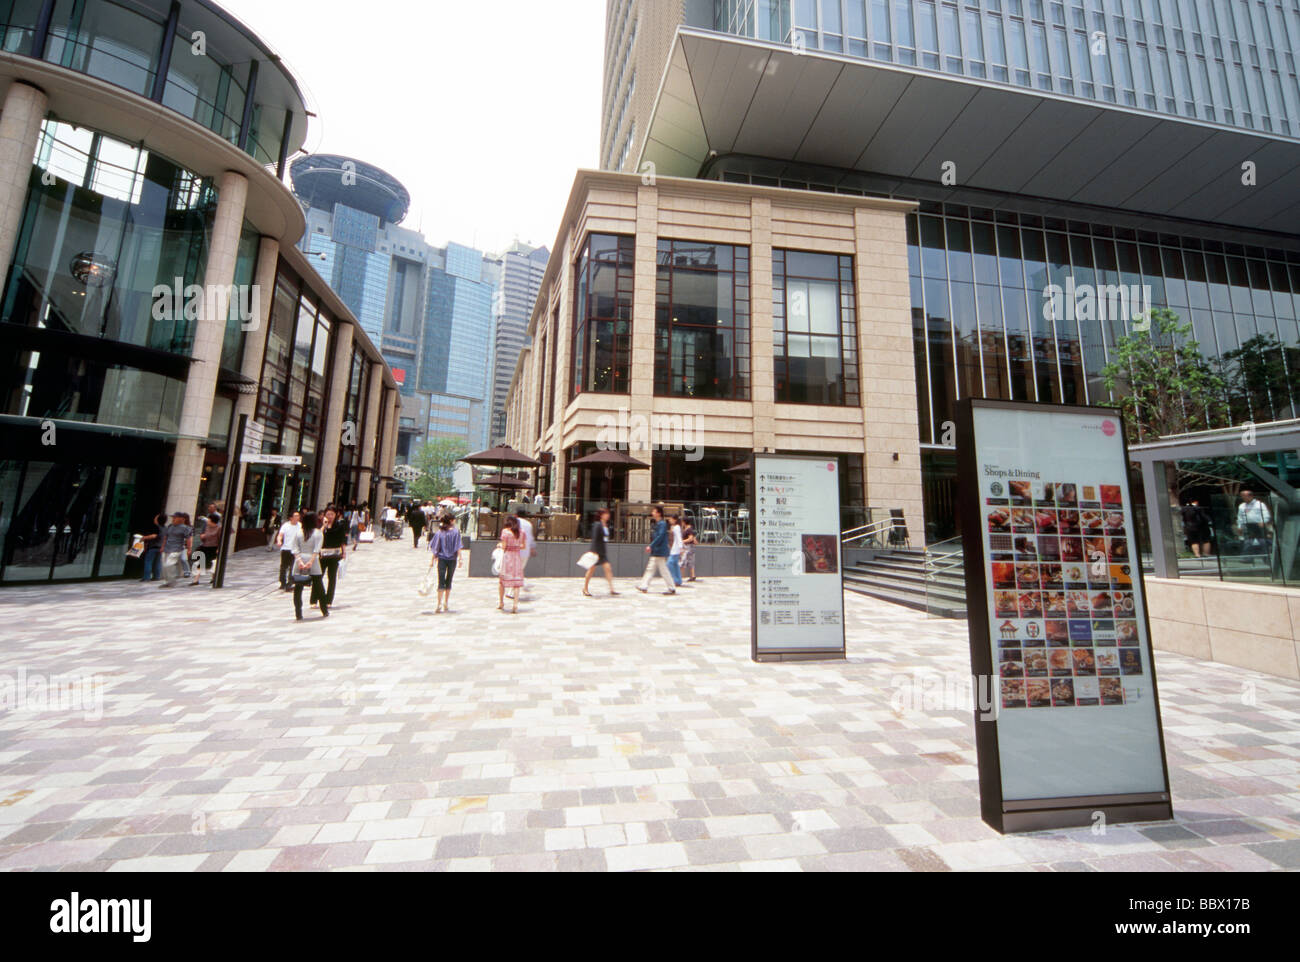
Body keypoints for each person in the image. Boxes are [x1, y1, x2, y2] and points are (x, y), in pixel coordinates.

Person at [289, 510, 327, 620]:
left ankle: (298, 613)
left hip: (299, 560)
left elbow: (295, 548)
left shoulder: (299, 532)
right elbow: (317, 548)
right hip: (313, 561)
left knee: (298, 588)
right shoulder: (317, 533)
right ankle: (324, 610)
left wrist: (300, 561)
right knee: (319, 586)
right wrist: (311, 561)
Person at [637, 506, 675, 595]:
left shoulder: (662, 524)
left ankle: (671, 587)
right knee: (654, 569)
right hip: (658, 550)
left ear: (659, 513)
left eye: (654, 511)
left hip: (659, 550)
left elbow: (660, 536)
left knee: (660, 569)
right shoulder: (660, 524)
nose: (652, 513)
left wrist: (651, 546)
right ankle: (644, 585)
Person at [430, 513, 463, 613]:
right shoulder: (456, 532)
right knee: (449, 580)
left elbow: (435, 548)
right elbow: (458, 546)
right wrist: (461, 559)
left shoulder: (440, 532)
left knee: (441, 581)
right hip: (452, 559)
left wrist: (432, 560)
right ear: (451, 521)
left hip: (442, 559)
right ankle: (446, 602)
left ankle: (438, 603)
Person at [583, 508, 618, 597]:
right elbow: (594, 538)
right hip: (596, 552)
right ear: (601, 515)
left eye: (608, 513)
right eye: (606, 513)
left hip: (602, 552)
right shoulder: (597, 525)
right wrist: (594, 551)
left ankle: (612, 589)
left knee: (608, 569)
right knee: (591, 570)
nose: (608, 515)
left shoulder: (605, 525)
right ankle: (585, 588)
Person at [320, 506, 349, 606]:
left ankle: (328, 600)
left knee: (332, 577)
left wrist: (344, 552)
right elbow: (317, 537)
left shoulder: (339, 526)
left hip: (335, 555)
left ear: (336, 515)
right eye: (328, 514)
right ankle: (315, 598)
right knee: (318, 576)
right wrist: (324, 526)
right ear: (324, 515)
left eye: (332, 514)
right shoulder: (322, 526)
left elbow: (343, 540)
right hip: (322, 555)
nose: (330, 516)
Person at [497, 515, 526, 614]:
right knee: (516, 583)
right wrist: (516, 546)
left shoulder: (505, 532)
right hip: (516, 557)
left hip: (507, 557)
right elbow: (523, 546)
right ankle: (515, 605)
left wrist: (500, 545)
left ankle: (501, 602)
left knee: (502, 581)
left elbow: (504, 546)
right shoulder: (521, 532)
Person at [158, 512, 193, 588]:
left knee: (169, 564)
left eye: (175, 517)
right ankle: (167, 582)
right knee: (164, 566)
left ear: (181, 519)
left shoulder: (185, 528)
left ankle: (172, 581)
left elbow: (188, 539)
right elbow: (166, 537)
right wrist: (162, 547)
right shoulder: (170, 526)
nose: (173, 519)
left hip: (176, 549)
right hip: (167, 548)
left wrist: (189, 549)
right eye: (173, 517)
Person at [1236, 489, 1273, 559]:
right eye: (1242, 496)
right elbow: (1240, 517)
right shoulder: (1241, 506)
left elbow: (1266, 514)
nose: (1243, 497)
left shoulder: (1259, 504)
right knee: (1247, 542)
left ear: (1251, 496)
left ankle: (1266, 557)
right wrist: (1239, 526)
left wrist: (1263, 521)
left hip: (1259, 525)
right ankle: (1247, 558)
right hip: (1247, 526)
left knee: (1262, 542)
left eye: (1244, 496)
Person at [275, 510, 302, 592]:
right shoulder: (285, 526)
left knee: (293, 567)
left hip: (295, 550)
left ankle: (290, 583)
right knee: (283, 567)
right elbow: (280, 535)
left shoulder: (300, 525)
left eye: (298, 516)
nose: (298, 517)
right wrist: (279, 541)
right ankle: (282, 582)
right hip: (286, 549)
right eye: (296, 516)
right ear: (291, 518)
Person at [192, 512, 221, 585]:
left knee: (212, 564)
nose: (207, 521)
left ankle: (214, 578)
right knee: (200, 563)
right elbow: (202, 536)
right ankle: (196, 580)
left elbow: (220, 539)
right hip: (204, 547)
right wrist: (202, 536)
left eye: (209, 520)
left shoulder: (219, 528)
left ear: (212, 521)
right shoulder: (207, 527)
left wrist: (219, 548)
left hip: (214, 548)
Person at [139, 511, 167, 582]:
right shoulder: (165, 528)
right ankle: (157, 576)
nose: (155, 519)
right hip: (161, 547)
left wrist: (144, 538)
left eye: (156, 518)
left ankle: (146, 577)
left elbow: (154, 536)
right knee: (157, 562)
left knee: (148, 561)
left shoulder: (157, 527)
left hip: (153, 547)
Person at [515, 509, 536, 584]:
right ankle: (515, 587)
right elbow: (530, 537)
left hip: (514, 550)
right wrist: (532, 548)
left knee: (515, 570)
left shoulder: (514, 522)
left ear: (516, 515)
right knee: (520, 569)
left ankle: (513, 589)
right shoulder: (529, 524)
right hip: (525, 551)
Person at [666, 515, 685, 587]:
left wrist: (680, 547)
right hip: (674, 548)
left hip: (675, 549)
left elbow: (678, 538)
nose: (670, 520)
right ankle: (678, 580)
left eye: (671, 519)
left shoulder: (676, 528)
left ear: (675, 520)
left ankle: (675, 580)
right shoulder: (674, 527)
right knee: (675, 565)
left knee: (669, 563)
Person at [680, 518, 698, 582]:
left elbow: (690, 539)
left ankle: (680, 577)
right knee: (690, 561)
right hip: (690, 547)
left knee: (683, 561)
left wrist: (682, 541)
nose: (681, 523)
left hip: (688, 547)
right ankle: (692, 576)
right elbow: (694, 540)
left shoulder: (689, 529)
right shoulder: (690, 529)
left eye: (682, 522)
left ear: (684, 522)